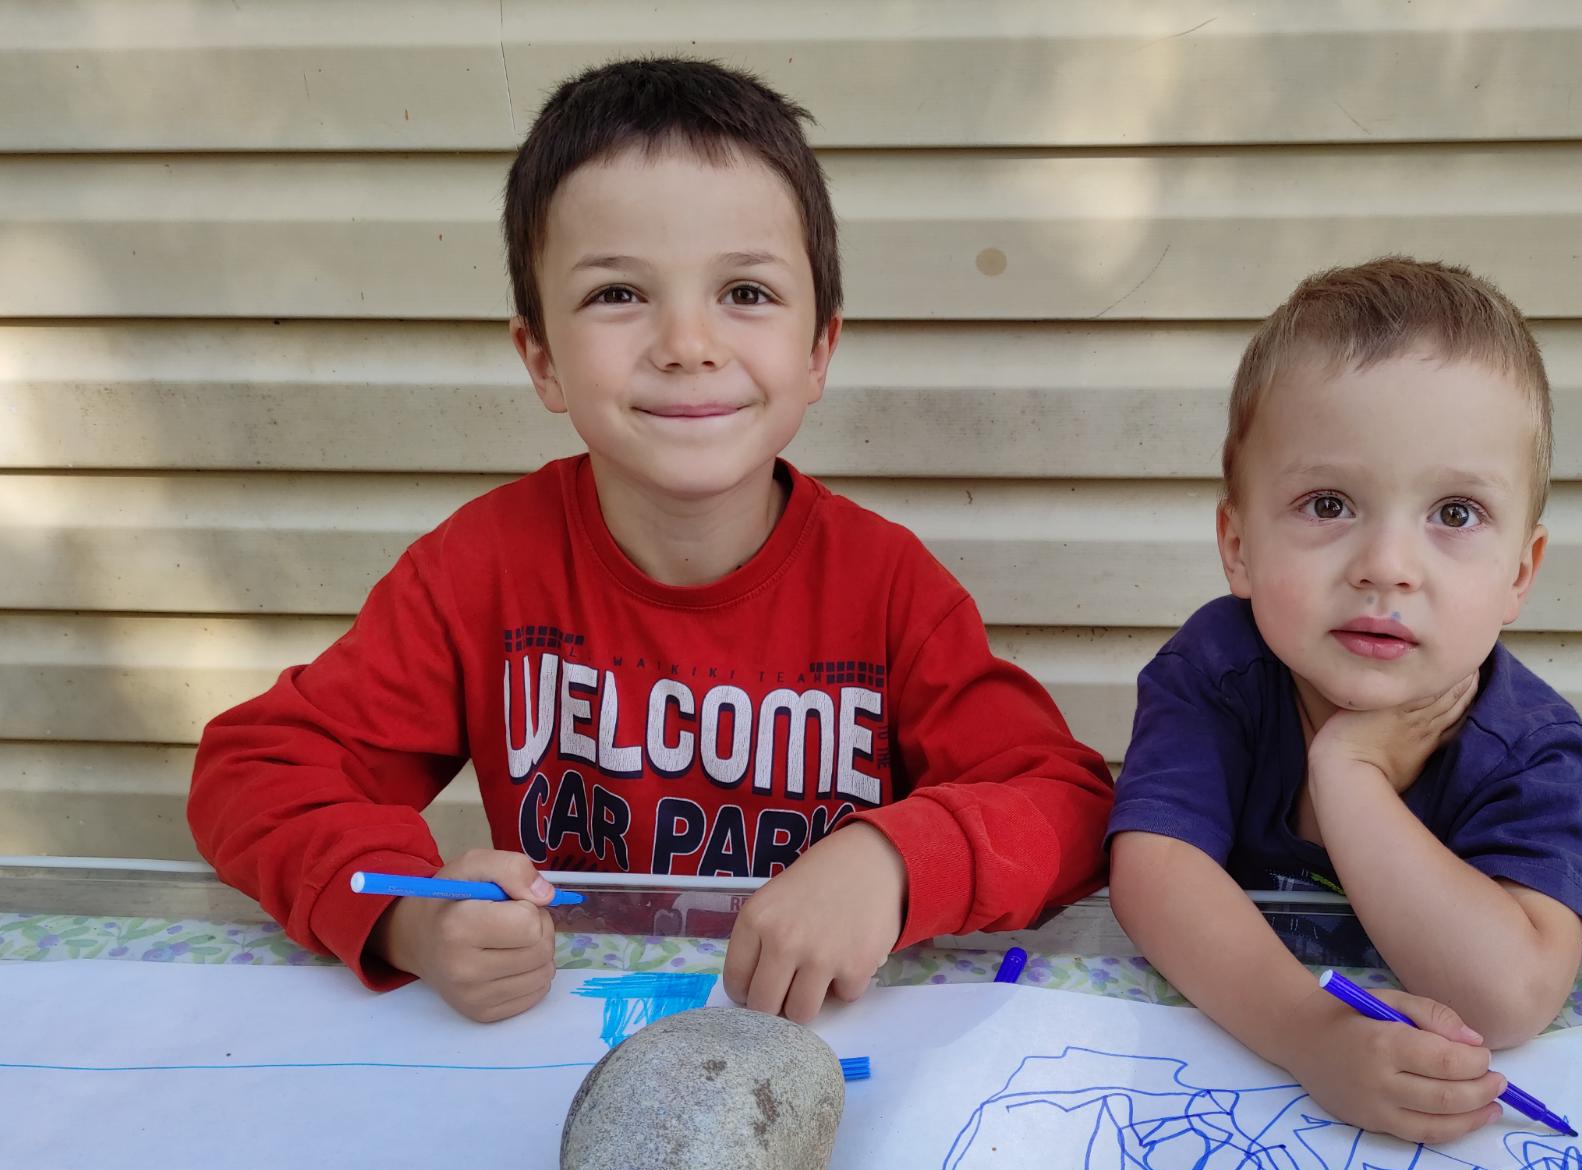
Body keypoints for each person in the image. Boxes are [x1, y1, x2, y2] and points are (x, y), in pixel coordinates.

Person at [188, 57, 1113, 1024]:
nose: (687, 342)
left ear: (818, 352)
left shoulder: (885, 588)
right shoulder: (482, 571)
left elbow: (1071, 803)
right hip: (564, 1042)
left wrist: (891, 860)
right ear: (541, 357)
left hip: (820, 1051)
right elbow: (253, 770)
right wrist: (410, 918)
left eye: (746, 294)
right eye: (618, 293)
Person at [1107, 257, 1582, 1144]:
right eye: (1329, 503)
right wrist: (1307, 1034)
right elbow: (1153, 873)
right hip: (1222, 1099)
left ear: (1521, 571)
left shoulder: (1534, 747)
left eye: (1456, 514)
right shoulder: (1216, 669)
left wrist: (1349, 774)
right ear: (1237, 544)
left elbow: (1507, 997)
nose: (1386, 565)